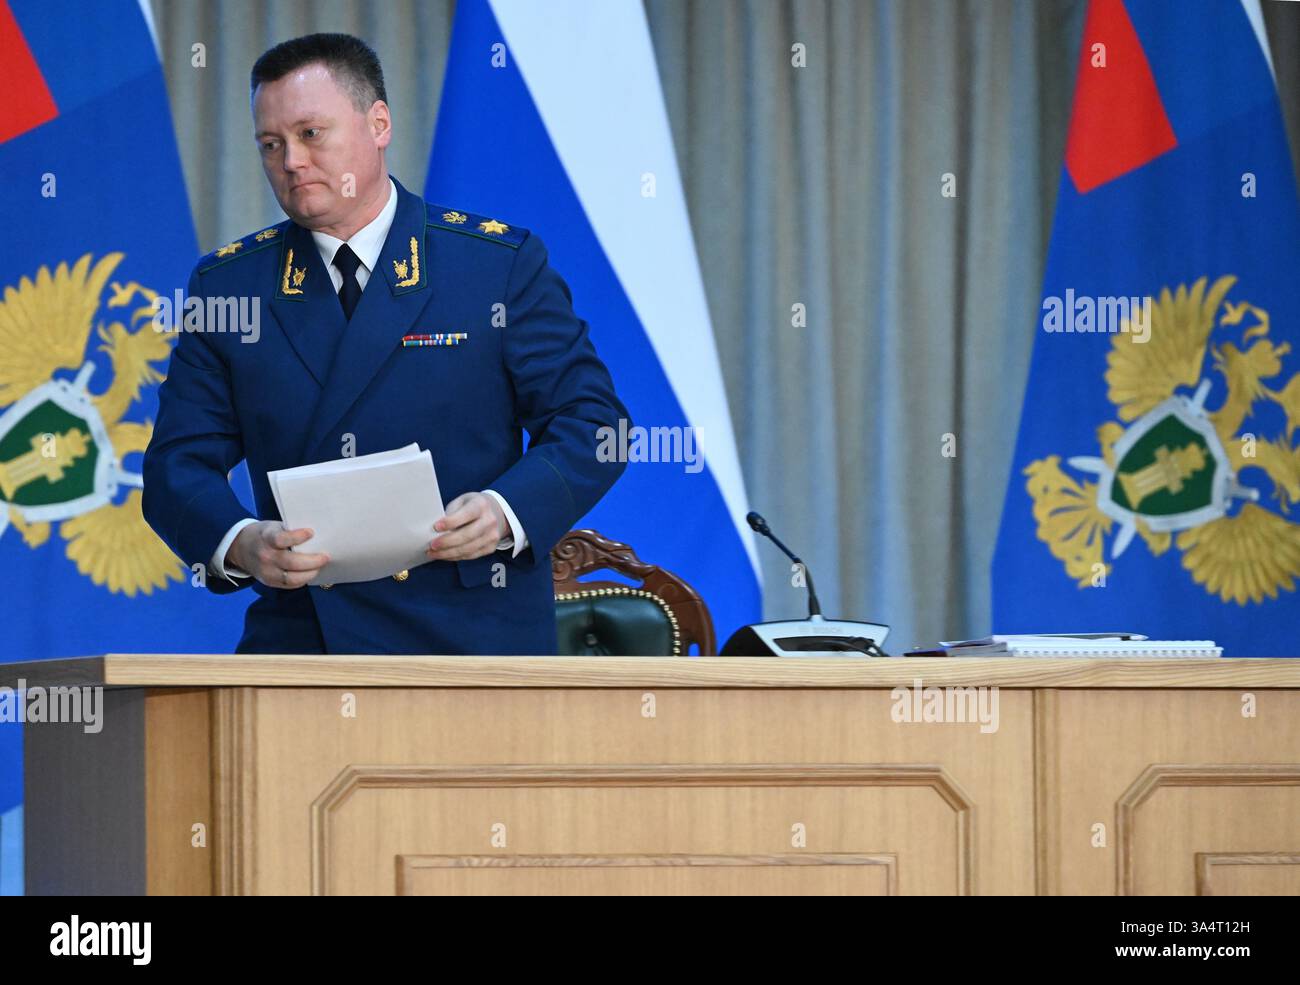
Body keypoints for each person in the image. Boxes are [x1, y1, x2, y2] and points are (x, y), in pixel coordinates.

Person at [142, 33, 628, 655]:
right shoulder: (231, 285)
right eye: (271, 144)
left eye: (311, 134)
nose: (290, 161)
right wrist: (241, 542)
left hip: (473, 637)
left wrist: (506, 511)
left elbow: (594, 424)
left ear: (378, 124)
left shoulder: (492, 266)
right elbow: (175, 467)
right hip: (306, 641)